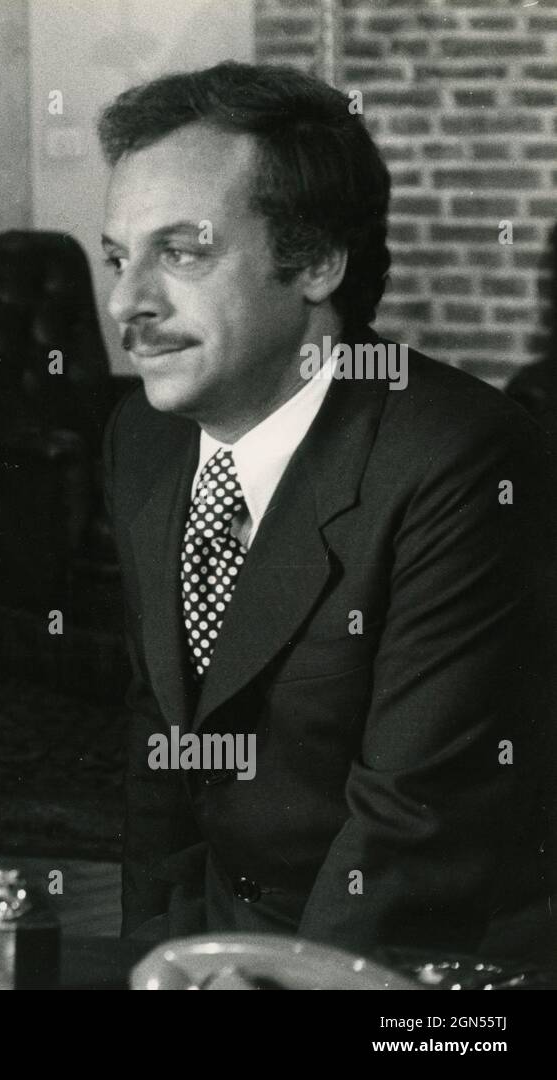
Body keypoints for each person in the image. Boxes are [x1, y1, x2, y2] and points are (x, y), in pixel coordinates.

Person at [98, 62, 555, 961]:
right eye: (118, 256)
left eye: (182, 253)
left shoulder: (460, 455)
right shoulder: (144, 438)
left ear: (314, 262)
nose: (127, 303)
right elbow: (166, 752)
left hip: (430, 969)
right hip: (225, 946)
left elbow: (412, 826)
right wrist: (154, 961)